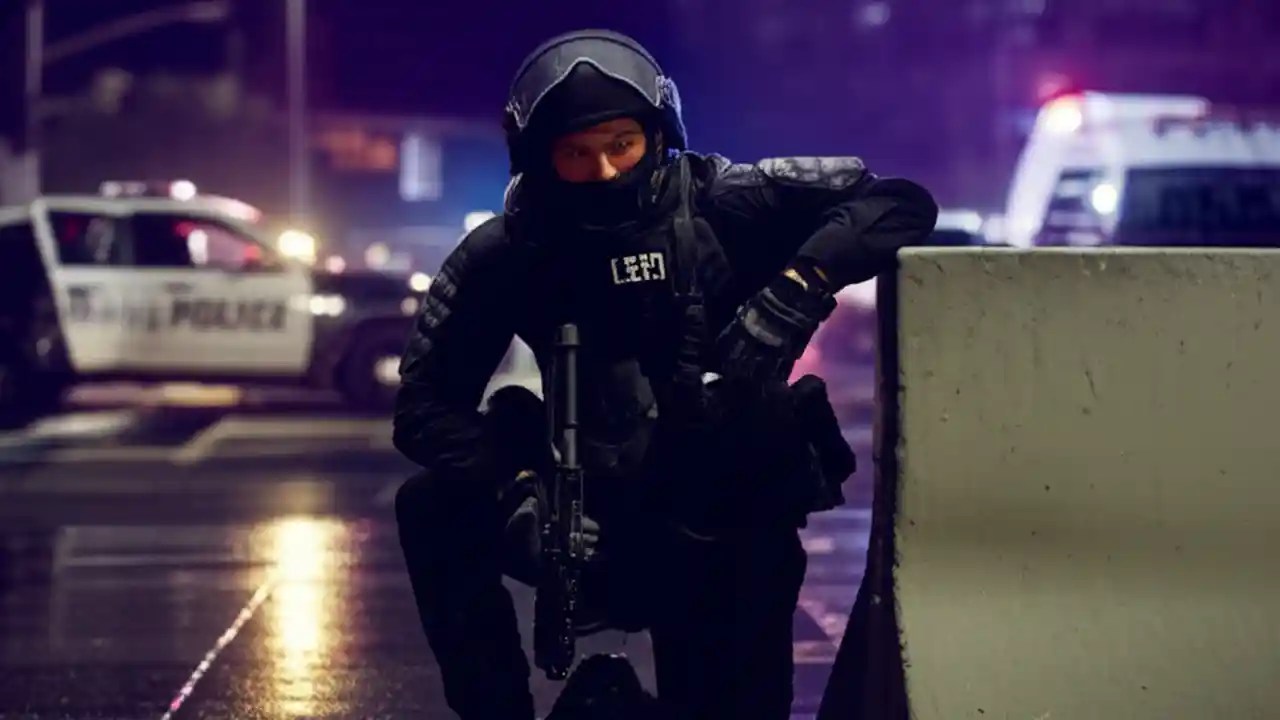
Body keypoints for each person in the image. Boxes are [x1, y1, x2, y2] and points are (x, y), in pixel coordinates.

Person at [393, 28, 938, 720]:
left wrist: (796, 290)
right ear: (538, 159)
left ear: (659, 132)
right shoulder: (510, 250)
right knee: (432, 507)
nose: (606, 172)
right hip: (580, 514)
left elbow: (900, 203)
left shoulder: (722, 201)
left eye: (622, 144)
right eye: (576, 154)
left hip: (716, 518)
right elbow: (421, 408)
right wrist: (514, 489)